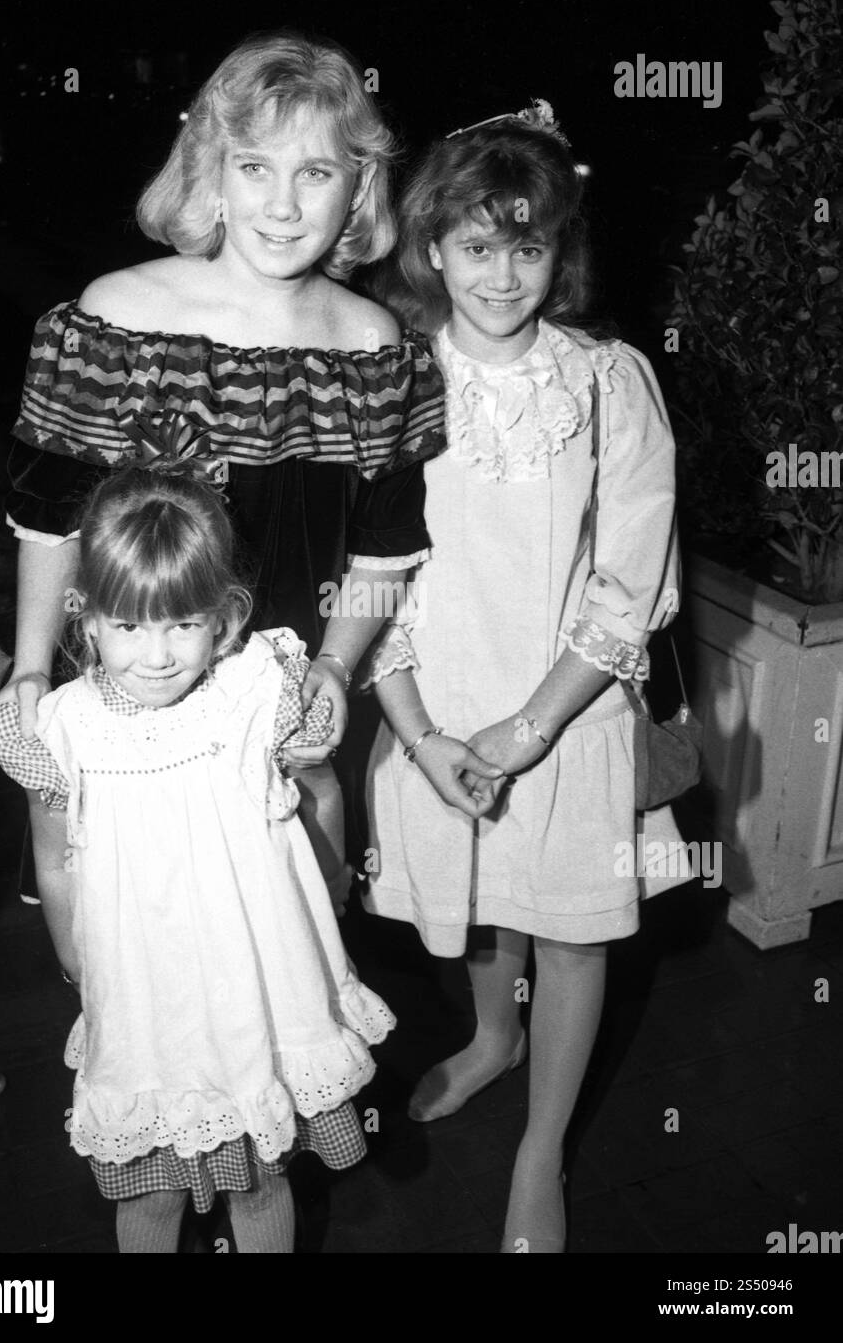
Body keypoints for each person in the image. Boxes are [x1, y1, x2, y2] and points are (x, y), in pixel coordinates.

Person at [0, 30, 449, 910]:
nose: (282, 202)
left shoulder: (379, 349)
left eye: (316, 172)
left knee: (277, 940)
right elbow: (52, 521)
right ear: (213, 175)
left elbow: (384, 554)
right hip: (133, 692)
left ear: (357, 191)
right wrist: (33, 668)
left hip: (276, 714)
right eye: (255, 166)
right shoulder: (115, 317)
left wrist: (334, 672)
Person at [361, 103, 691, 1253]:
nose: (502, 273)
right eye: (476, 243)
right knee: (491, 897)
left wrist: (524, 733)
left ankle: (540, 1152)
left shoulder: (608, 382)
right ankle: (491, 1039)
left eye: (528, 244)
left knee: (572, 932)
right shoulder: (389, 381)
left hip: (569, 712)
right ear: (431, 247)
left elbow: (630, 587)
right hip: (438, 714)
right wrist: (421, 731)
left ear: (560, 251)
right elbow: (364, 583)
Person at [0, 464, 396, 1253]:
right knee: (150, 1193)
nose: (157, 654)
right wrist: (78, 963)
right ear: (88, 620)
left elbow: (317, 801)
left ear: (224, 619)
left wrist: (336, 892)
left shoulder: (254, 693)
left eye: (182, 624)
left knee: (263, 1180)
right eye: (130, 626)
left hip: (258, 994)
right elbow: (55, 863)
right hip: (145, 1005)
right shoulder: (60, 729)